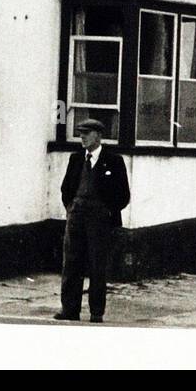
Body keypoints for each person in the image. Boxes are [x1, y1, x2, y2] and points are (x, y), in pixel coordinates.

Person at [54, 117, 130, 323]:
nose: (82, 137)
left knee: (97, 266)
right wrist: (71, 208)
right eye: (80, 133)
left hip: (100, 220)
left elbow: (123, 195)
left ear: (98, 135)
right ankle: (70, 309)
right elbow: (66, 189)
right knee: (71, 263)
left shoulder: (114, 161)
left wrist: (106, 212)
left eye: (86, 133)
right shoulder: (76, 159)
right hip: (76, 216)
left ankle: (96, 312)